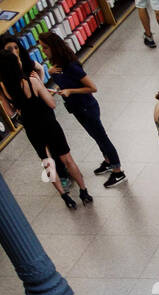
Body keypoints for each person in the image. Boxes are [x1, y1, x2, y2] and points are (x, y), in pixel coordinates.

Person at [0, 53, 90, 209]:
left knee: (47, 161)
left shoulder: (3, 88)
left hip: (31, 128)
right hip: (48, 122)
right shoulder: (32, 80)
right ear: (16, 65)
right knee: (66, 158)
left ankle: (64, 196)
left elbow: (11, 113)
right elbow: (51, 104)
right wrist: (41, 84)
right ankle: (84, 191)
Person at [39, 33, 125, 189]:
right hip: (76, 108)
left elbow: (92, 88)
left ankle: (118, 171)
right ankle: (107, 161)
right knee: (96, 137)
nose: (43, 51)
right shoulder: (57, 66)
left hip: (87, 107)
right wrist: (52, 76)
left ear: (54, 47)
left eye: (45, 47)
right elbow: (65, 83)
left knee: (102, 138)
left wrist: (70, 91)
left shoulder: (71, 66)